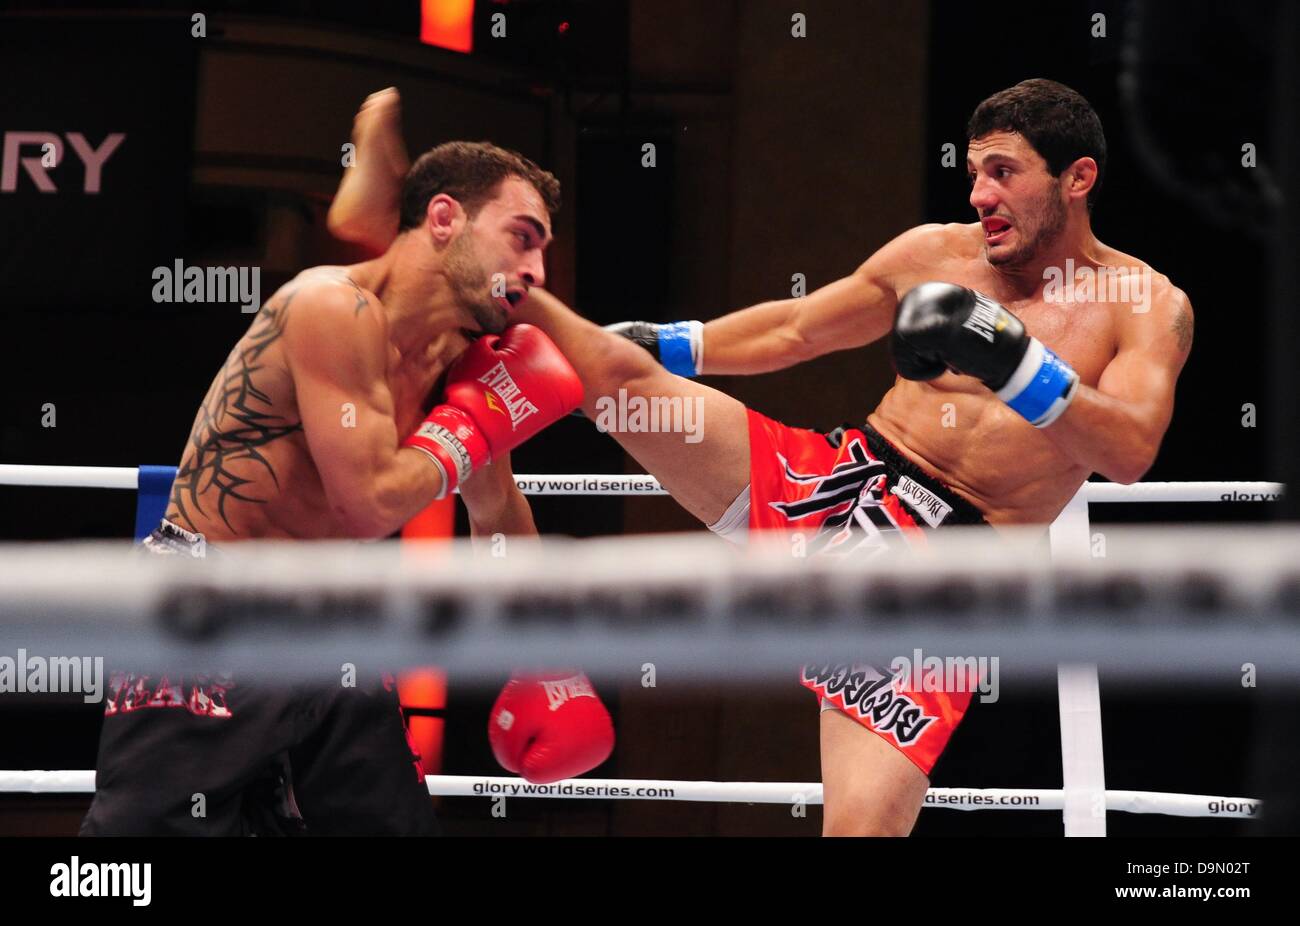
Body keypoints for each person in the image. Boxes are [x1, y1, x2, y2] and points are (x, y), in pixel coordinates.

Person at [325, 80, 1193, 835]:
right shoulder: (938, 254)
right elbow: (794, 328)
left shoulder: (1146, 304)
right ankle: (412, 243)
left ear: (1077, 178)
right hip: (835, 479)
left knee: (859, 832)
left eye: (1002, 172)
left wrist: (1011, 361)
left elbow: (1129, 452)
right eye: (973, 170)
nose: (979, 194)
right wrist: (663, 345)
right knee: (594, 368)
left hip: (942, 578)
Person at [82, 134, 612, 835]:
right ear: (446, 218)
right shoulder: (328, 308)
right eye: (521, 237)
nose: (536, 269)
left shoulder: (461, 363)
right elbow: (364, 503)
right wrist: (472, 429)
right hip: (211, 612)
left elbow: (498, 515)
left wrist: (549, 657)